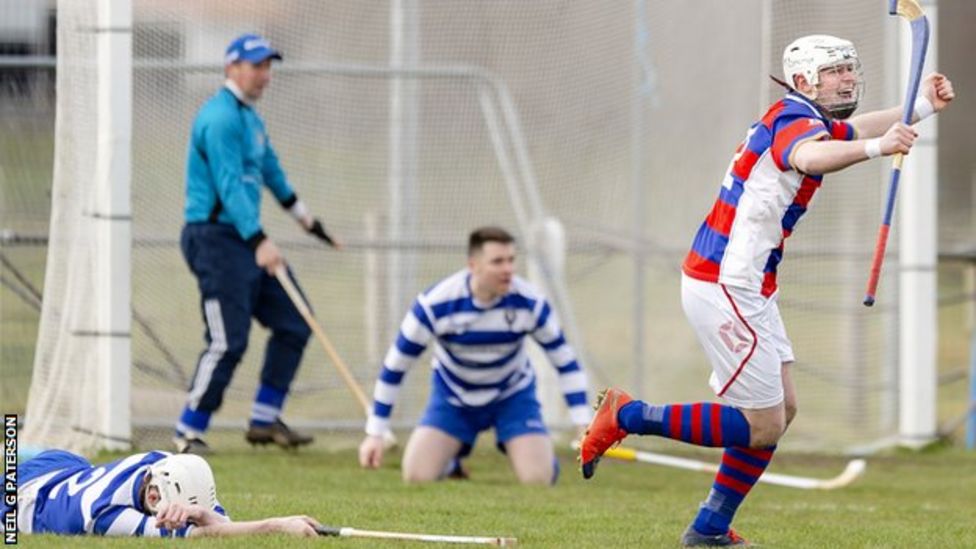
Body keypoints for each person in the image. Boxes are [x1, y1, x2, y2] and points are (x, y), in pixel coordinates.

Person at [579, 35, 954, 546]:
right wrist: (876, 150)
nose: (846, 78)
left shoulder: (802, 113)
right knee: (763, 426)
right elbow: (809, 156)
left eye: (849, 68)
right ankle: (626, 414)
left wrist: (922, 107)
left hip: (748, 283)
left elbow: (854, 128)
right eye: (834, 71)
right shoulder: (794, 124)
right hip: (726, 283)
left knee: (783, 410)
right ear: (804, 80)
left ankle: (710, 527)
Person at [174, 33, 342, 454]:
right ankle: (188, 431)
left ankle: (264, 421)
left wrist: (311, 224)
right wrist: (261, 240)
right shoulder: (219, 118)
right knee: (229, 339)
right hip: (215, 239)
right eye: (256, 65)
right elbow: (229, 187)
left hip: (246, 238)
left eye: (268, 66)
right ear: (232, 68)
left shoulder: (251, 120)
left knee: (294, 322)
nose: (264, 75)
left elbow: (274, 175)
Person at [358, 226, 592, 484]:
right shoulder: (434, 304)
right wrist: (375, 433)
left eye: (511, 260)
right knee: (415, 476)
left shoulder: (530, 302)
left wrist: (583, 423)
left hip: (512, 396)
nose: (508, 269)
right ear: (474, 265)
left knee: (538, 480)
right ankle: (450, 462)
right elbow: (395, 367)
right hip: (453, 398)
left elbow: (565, 362)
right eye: (498, 262)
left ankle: (543, 461)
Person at [2, 449, 321, 537]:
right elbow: (206, 537)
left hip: (65, 463)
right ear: (156, 499)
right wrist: (278, 524)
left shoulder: (159, 459)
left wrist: (203, 514)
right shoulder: (107, 514)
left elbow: (220, 521)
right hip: (22, 501)